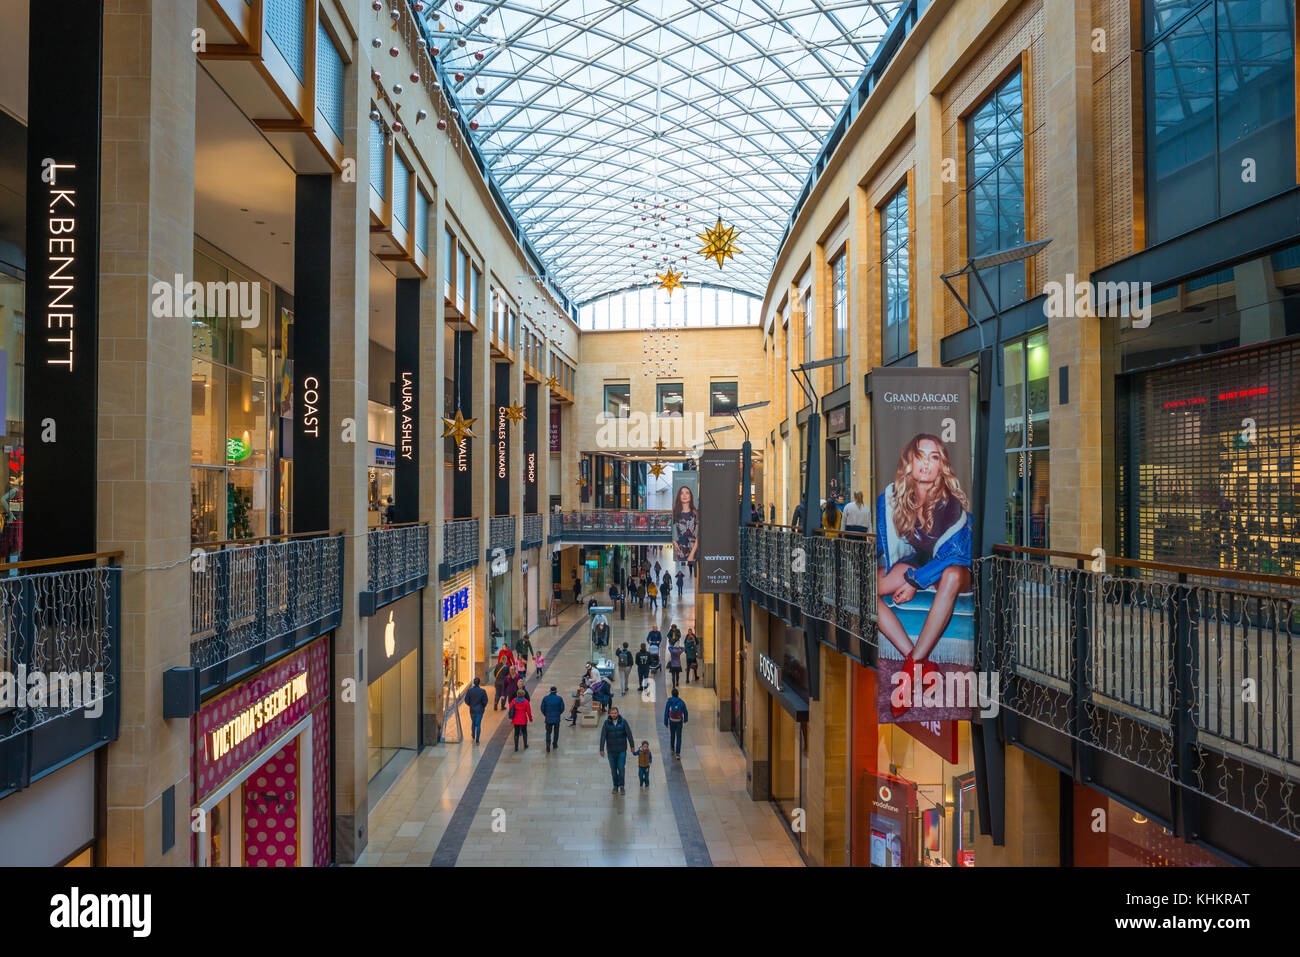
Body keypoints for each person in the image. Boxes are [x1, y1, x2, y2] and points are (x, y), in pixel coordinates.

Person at [876, 433, 973, 718]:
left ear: (942, 465)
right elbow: (892, 546)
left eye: (934, 457)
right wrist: (909, 576)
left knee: (953, 575)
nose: (928, 464)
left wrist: (915, 582)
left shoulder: (950, 503)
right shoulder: (895, 498)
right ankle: (917, 661)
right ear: (910, 461)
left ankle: (910, 671)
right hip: (920, 568)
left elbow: (955, 556)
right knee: (865, 587)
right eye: (921, 456)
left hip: (958, 568)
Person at [598, 705, 635, 794]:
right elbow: (603, 736)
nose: (614, 714)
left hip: (621, 750)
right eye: (612, 713)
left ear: (618, 713)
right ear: (610, 714)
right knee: (613, 769)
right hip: (611, 751)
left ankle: (622, 786)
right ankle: (615, 786)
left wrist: (632, 746)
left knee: (621, 768)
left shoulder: (623, 722)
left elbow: (629, 734)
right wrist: (601, 749)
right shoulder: (606, 723)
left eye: (615, 713)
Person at [673, 483, 699, 568]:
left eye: (687, 493)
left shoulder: (695, 513)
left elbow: (698, 535)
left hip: (693, 548)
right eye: (682, 493)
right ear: (679, 496)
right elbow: (666, 528)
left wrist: (692, 554)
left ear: (690, 496)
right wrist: (673, 541)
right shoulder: (676, 513)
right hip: (681, 548)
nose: (684, 495)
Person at [663, 687, 688, 758]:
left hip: (672, 721)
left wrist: (666, 722)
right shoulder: (681, 702)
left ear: (672, 694)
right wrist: (685, 719)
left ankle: (672, 748)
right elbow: (685, 712)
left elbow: (666, 712)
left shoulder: (669, 702)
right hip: (679, 721)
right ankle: (678, 753)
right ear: (678, 694)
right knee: (679, 737)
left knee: (672, 734)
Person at [540, 685, 565, 753]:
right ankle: (554, 744)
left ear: (550, 691)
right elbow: (562, 708)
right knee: (556, 732)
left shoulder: (545, 698)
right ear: (556, 691)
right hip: (556, 718)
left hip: (548, 718)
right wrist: (558, 713)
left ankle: (548, 744)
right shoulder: (559, 698)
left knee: (548, 732)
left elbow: (542, 708)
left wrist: (546, 714)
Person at [465, 677, 489, 744]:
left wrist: (470, 705)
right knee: (478, 724)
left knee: (473, 722)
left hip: (472, 710)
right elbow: (485, 701)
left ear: (473, 683)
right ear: (479, 683)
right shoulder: (482, 691)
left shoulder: (470, 691)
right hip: (479, 710)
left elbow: (466, 700)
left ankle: (473, 735)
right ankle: (477, 740)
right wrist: (482, 706)